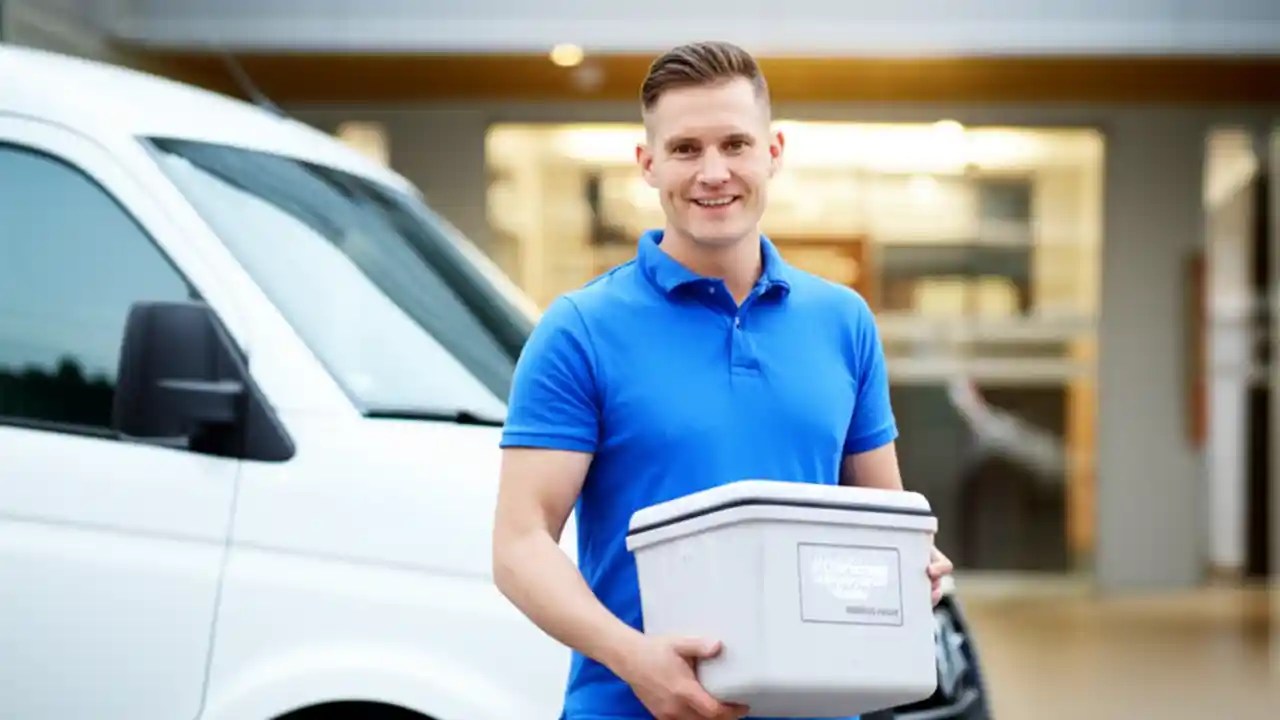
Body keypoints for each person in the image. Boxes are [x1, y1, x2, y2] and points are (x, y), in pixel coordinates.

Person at [491, 40, 953, 720]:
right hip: (630, 707)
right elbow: (519, 543)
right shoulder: (580, 330)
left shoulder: (843, 322)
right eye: (685, 149)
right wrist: (633, 657)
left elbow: (879, 522)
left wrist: (918, 568)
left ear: (774, 151)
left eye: (736, 144)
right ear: (647, 165)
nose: (714, 172)